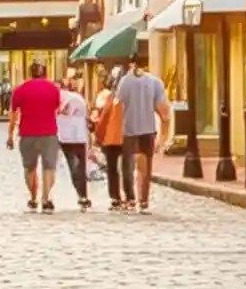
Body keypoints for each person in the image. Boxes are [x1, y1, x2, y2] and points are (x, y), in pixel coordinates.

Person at [114, 60, 170, 215]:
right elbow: (165, 113)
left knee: (127, 165)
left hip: (127, 130)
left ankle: (130, 199)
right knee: (143, 167)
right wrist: (164, 137)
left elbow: (118, 106)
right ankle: (143, 201)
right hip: (147, 129)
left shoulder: (124, 81)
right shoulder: (155, 82)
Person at [7, 62, 62, 214]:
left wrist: (10, 135)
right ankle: (46, 199)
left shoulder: (20, 90)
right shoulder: (53, 89)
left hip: (27, 132)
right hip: (49, 132)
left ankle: (33, 198)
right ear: (45, 73)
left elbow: (13, 114)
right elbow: (57, 108)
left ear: (29, 73)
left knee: (30, 167)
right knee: (49, 167)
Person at [94, 69, 132, 211]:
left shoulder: (112, 98)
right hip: (128, 136)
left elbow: (104, 118)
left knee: (112, 170)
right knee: (127, 168)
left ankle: (115, 197)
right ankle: (130, 197)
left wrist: (99, 135)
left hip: (112, 138)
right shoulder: (130, 98)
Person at [56, 78, 92, 211]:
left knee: (75, 166)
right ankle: (82, 195)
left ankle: (82, 195)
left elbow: (63, 111)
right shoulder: (77, 97)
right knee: (78, 166)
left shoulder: (69, 99)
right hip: (75, 136)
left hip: (69, 137)